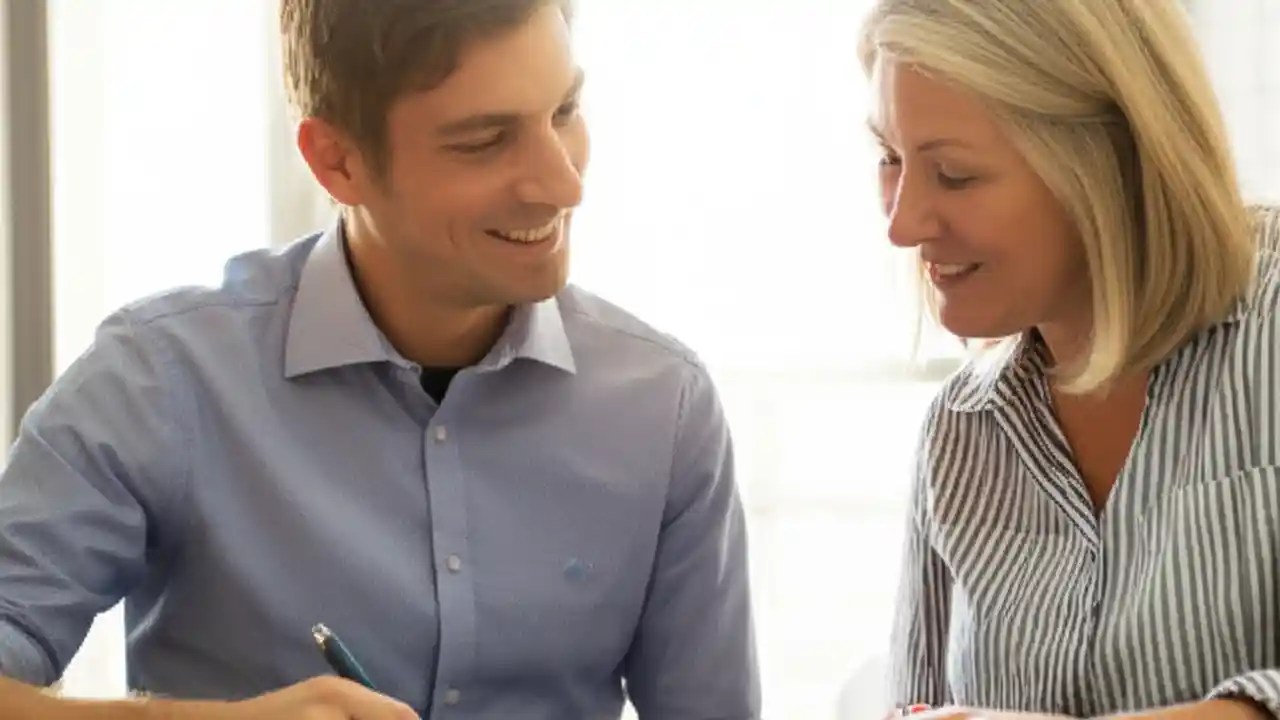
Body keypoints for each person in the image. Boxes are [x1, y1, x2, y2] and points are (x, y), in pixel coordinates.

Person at [0, 1, 760, 718]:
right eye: (485, 141)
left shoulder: (666, 407)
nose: (563, 184)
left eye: (564, 112)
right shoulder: (160, 378)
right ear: (337, 163)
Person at [861, 0, 1280, 718]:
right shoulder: (959, 434)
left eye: (955, 175)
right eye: (891, 160)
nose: (902, 225)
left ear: (1110, 163)